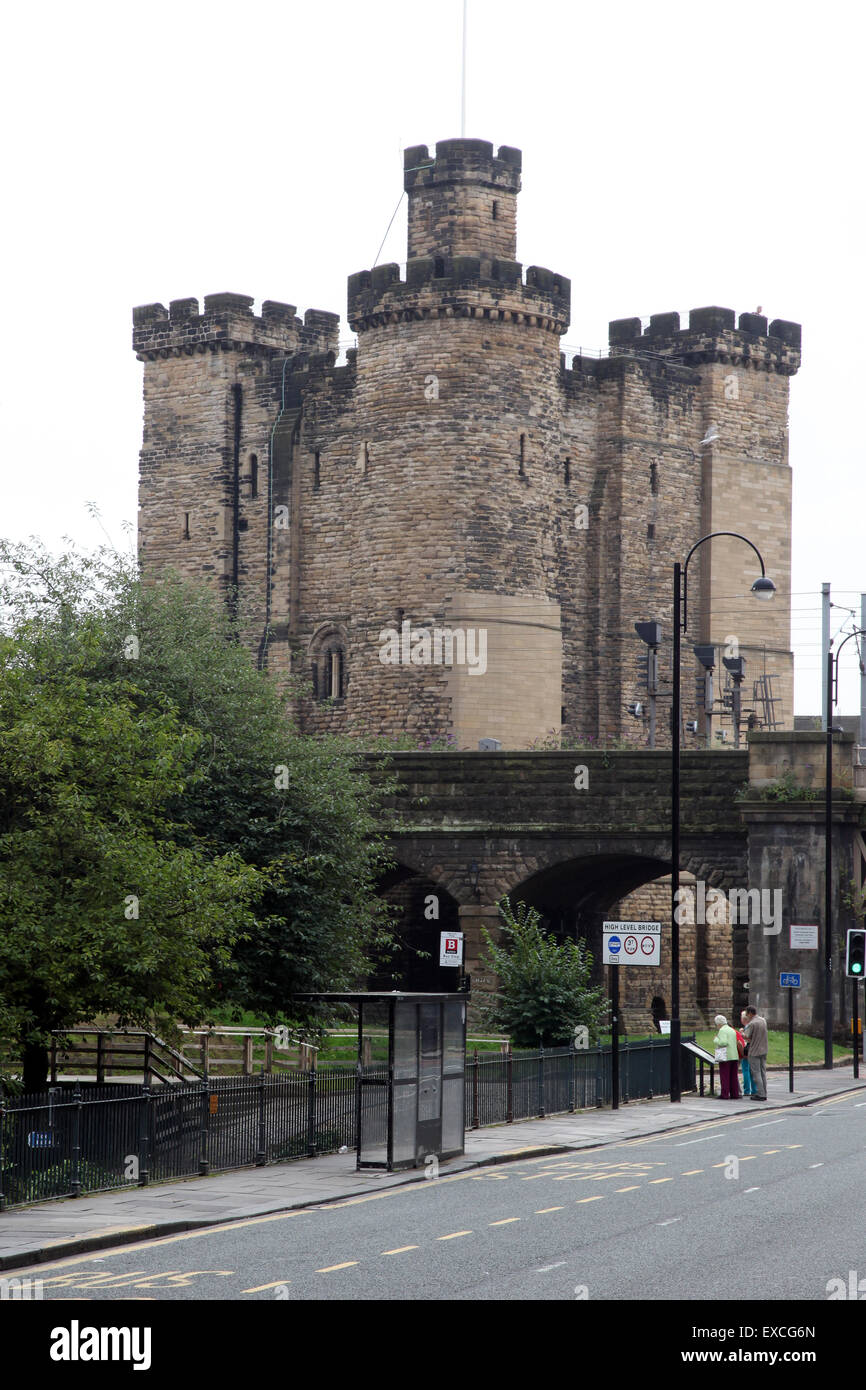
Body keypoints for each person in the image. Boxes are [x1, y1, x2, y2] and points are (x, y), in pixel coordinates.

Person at [712, 1014, 740, 1099]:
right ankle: (735, 1094)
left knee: (725, 1076)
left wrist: (716, 1039)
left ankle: (724, 1094)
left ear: (719, 1023)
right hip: (734, 1055)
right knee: (733, 1076)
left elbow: (723, 1042)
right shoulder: (732, 1030)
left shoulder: (722, 1030)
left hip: (726, 1056)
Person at [743, 1006, 768, 1100]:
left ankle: (760, 1094)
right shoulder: (763, 1020)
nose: (746, 1016)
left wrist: (742, 1032)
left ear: (750, 1013)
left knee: (756, 1073)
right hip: (764, 1050)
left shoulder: (752, 1023)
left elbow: (746, 1036)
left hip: (754, 1051)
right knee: (763, 1072)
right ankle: (764, 1092)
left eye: (746, 1014)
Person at [738, 1010, 755, 1096]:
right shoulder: (751, 1026)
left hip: (746, 1050)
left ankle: (747, 1090)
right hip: (753, 1050)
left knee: (745, 1070)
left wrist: (741, 1033)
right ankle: (754, 1089)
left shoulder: (746, 1028)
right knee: (752, 1070)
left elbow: (746, 1039)